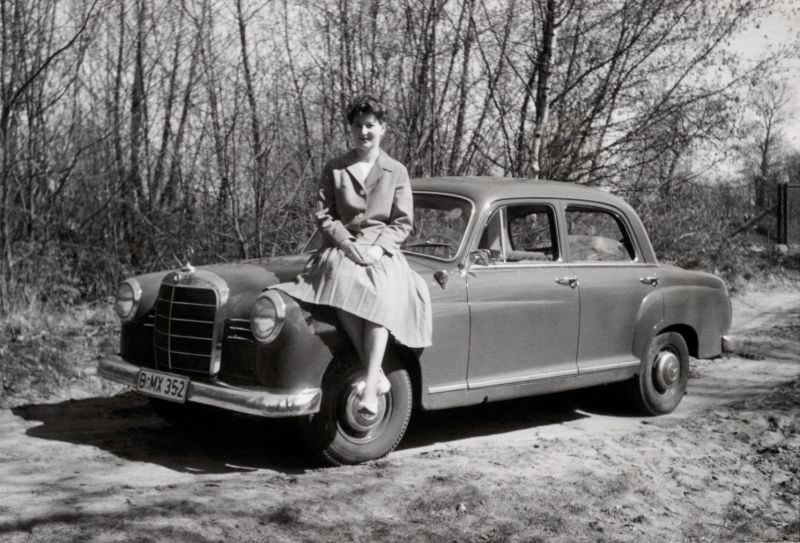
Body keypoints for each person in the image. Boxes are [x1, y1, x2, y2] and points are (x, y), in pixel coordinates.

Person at [273, 95, 432, 416]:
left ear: (383, 128)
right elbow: (324, 216)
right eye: (358, 125)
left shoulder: (396, 171)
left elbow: (402, 222)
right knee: (340, 283)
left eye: (370, 125)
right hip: (341, 248)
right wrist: (346, 244)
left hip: (382, 250)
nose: (364, 132)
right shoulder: (335, 168)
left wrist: (377, 248)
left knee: (380, 296)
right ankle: (377, 374)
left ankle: (370, 388)